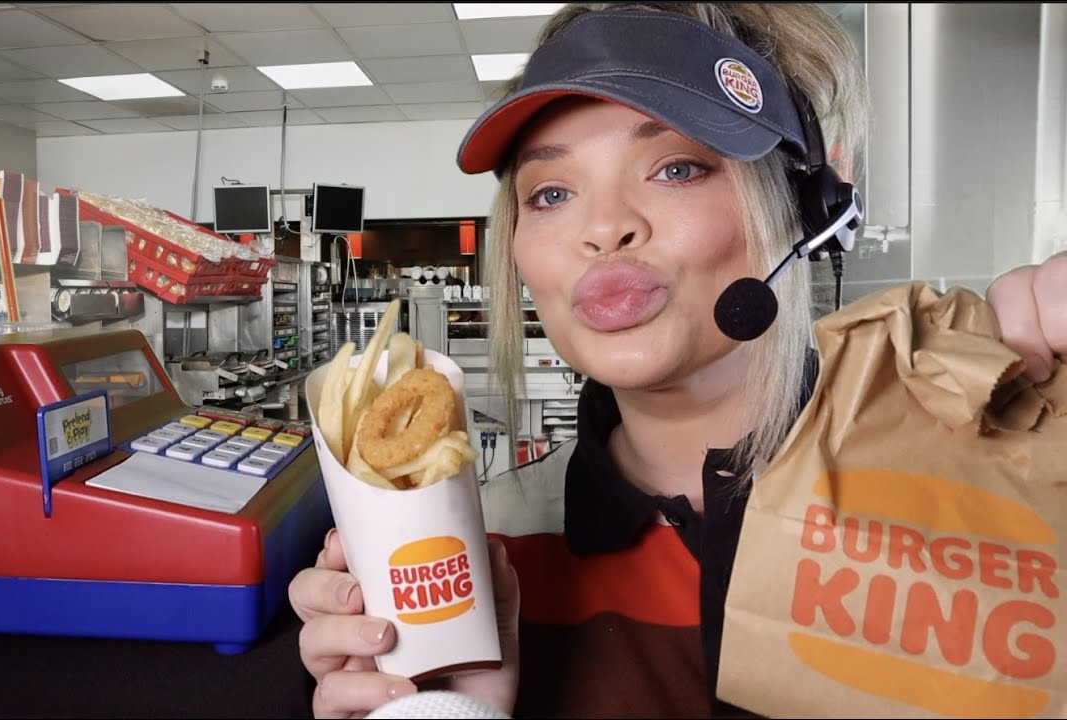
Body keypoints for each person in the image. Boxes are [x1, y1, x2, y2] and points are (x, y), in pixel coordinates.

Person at [288, 3, 1067, 718]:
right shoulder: (483, 556)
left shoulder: (978, 491)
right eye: (551, 193)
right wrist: (440, 706)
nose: (604, 227)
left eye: (677, 168)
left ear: (805, 213)